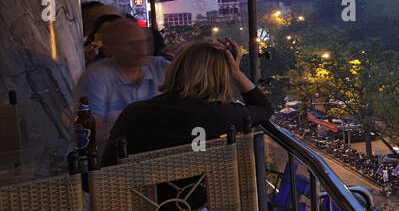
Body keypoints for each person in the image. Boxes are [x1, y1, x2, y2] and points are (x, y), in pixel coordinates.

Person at [103, 38, 272, 164]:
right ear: (220, 78)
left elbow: (106, 167)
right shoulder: (216, 114)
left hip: (133, 206)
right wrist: (236, 72)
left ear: (177, 69)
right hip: (191, 207)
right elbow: (264, 108)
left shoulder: (133, 113)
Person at [73, 18, 170, 153]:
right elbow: (91, 131)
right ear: (110, 48)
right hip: (114, 160)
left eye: (144, 41)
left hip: (158, 155)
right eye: (131, 43)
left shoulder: (161, 68)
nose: (141, 48)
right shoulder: (97, 76)